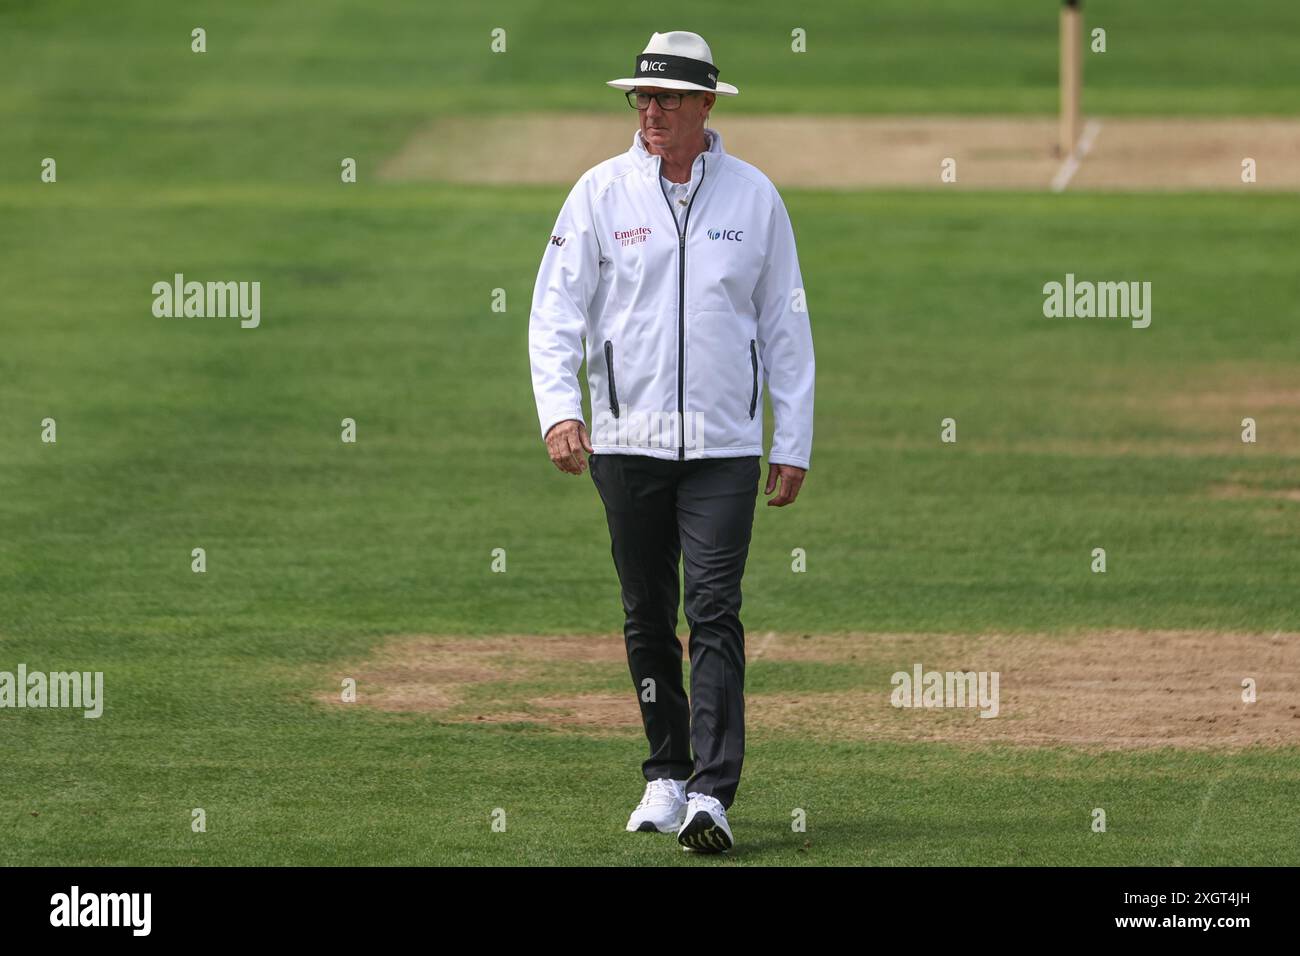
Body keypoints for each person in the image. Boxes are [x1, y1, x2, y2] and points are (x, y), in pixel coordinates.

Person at [528, 30, 815, 853]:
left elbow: (784, 323)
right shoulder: (599, 193)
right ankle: (665, 773)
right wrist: (560, 410)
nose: (650, 112)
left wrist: (790, 437)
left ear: (706, 106)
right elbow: (556, 313)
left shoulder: (755, 197)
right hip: (626, 440)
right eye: (641, 99)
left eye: (667, 99)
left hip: (725, 448)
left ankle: (712, 796)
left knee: (714, 610)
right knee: (646, 613)